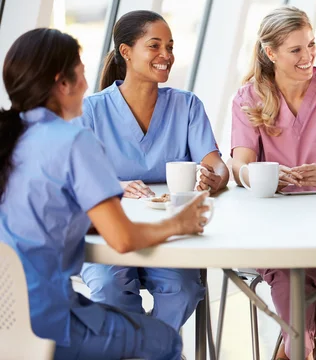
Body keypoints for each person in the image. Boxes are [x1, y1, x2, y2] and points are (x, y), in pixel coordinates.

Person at [0, 28, 211, 359]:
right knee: (164, 342)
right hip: (49, 323)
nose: (86, 86)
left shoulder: (11, 138)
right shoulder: (72, 141)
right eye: (81, 75)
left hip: (8, 322)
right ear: (62, 82)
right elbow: (123, 240)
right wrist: (179, 224)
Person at [74, 10, 229, 332]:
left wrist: (216, 176)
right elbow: (75, 179)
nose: (166, 56)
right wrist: (115, 185)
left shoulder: (187, 105)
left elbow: (214, 161)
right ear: (126, 52)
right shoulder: (91, 111)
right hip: (107, 231)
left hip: (170, 232)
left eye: (170, 47)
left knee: (184, 290)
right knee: (109, 288)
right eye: (155, 46)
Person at [231, 6, 316, 360]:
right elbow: (239, 164)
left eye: (311, 45)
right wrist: (264, 174)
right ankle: (299, 349)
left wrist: (315, 174)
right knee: (292, 280)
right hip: (273, 228)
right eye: (296, 50)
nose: (309, 57)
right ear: (271, 53)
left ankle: (291, 348)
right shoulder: (248, 97)